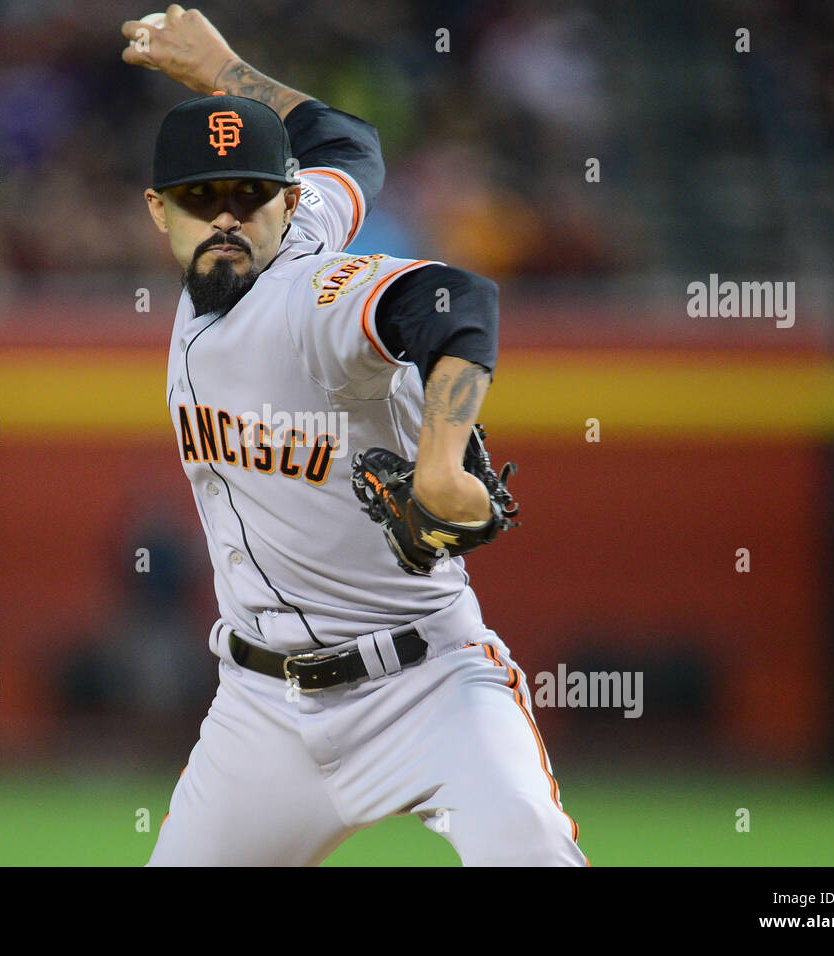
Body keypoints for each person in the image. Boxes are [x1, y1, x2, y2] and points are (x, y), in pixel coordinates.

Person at [121, 5, 587, 866]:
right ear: (160, 212)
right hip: (259, 713)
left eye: (249, 196)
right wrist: (227, 70)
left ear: (284, 202)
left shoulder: (307, 294)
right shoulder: (284, 235)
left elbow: (456, 302)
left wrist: (442, 466)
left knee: (527, 850)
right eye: (201, 199)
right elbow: (346, 141)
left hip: (427, 686)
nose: (227, 218)